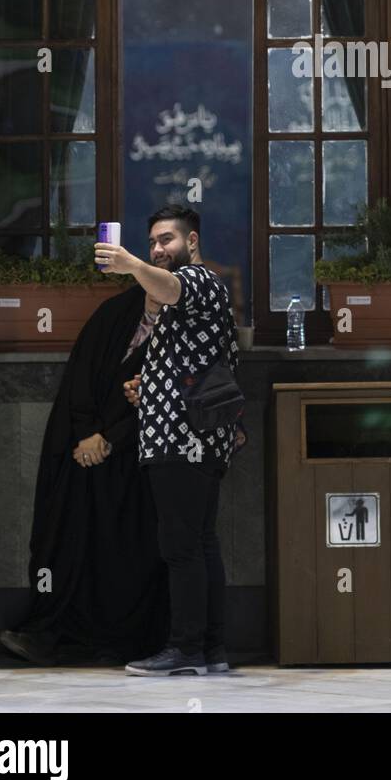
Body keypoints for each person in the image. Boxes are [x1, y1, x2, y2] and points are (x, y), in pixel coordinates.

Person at [95, 205, 241, 678]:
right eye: (153, 242)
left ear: (192, 241)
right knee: (200, 543)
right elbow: (186, 359)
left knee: (182, 548)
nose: (159, 249)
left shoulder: (199, 279)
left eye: (167, 241)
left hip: (181, 440)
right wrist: (149, 386)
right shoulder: (191, 297)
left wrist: (132, 264)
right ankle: (210, 649)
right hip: (194, 435)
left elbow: (172, 288)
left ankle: (185, 650)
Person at [0, 281, 170, 667]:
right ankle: (50, 631)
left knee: (131, 551)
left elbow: (175, 397)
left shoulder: (187, 326)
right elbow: (82, 373)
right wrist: (87, 435)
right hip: (80, 448)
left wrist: (111, 440)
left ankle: (123, 640)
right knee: (61, 538)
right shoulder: (114, 314)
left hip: (137, 458)